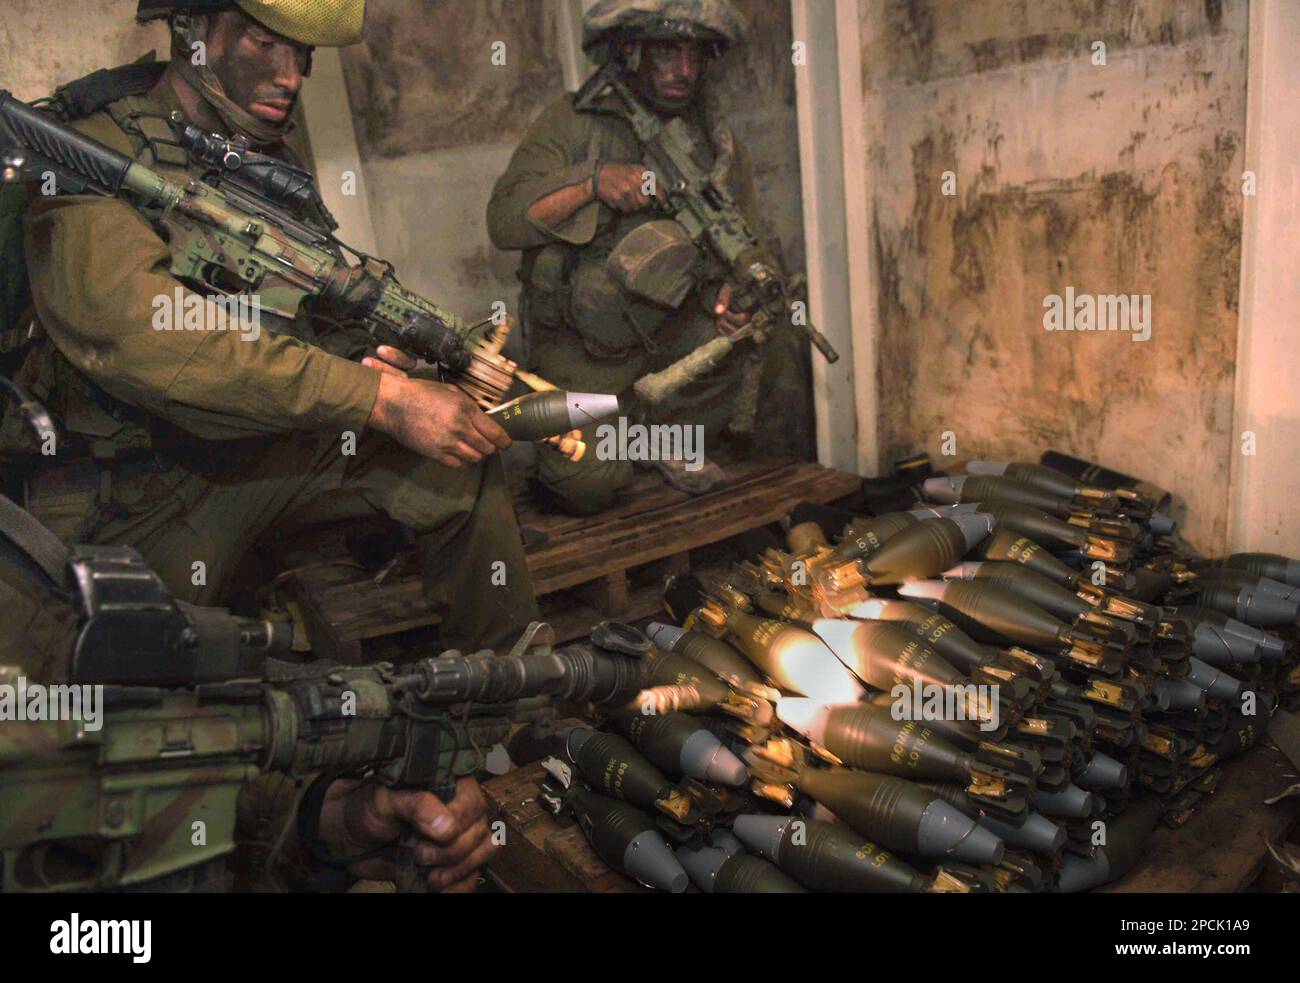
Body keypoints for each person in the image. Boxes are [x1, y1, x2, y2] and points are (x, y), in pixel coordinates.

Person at [0, 0, 538, 655]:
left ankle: (509, 690)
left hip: (250, 446)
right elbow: (159, 348)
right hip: (135, 492)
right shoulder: (91, 155)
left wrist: (367, 359)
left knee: (454, 456)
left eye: (303, 56)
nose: (291, 77)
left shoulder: (251, 155)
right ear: (194, 28)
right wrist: (378, 398)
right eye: (264, 45)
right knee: (135, 696)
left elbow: (287, 308)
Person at [487, 0, 771, 516]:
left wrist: (738, 295)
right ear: (631, 50)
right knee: (587, 487)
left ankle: (655, 436)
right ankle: (614, 440)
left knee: (748, 331)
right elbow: (504, 220)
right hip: (582, 349)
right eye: (667, 50)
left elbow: (748, 241)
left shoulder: (715, 141)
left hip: (670, 336)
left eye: (695, 54)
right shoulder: (573, 121)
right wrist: (594, 184)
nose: (684, 71)